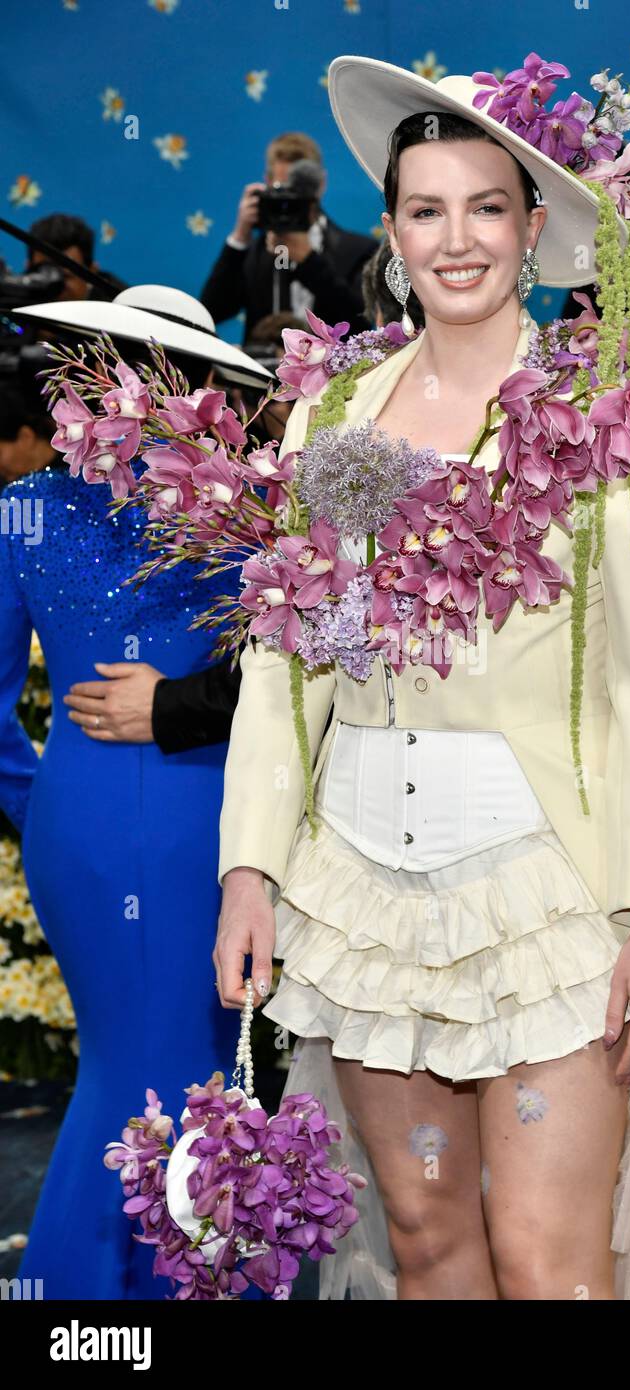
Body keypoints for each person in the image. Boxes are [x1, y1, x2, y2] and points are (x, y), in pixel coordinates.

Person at [214, 54, 630, 1301]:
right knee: (428, 1248)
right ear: (391, 232)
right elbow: (283, 662)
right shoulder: (330, 415)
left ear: (537, 226)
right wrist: (250, 868)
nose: (456, 238)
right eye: (425, 209)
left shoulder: (611, 416)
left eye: (487, 207)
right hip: (362, 897)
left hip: (549, 896)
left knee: (549, 1264)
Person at [0, 286, 273, 1298]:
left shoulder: (22, 506)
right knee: (169, 1075)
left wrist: (47, 805)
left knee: (141, 1072)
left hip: (97, 824)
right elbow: (295, 683)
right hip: (204, 821)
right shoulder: (250, 512)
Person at [200, 131, 378, 343]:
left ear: (321, 184)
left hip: (336, 373)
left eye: (299, 190)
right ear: (267, 183)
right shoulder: (254, 252)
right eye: (282, 189)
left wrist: (308, 261)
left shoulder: (358, 250)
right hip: (264, 372)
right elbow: (212, 311)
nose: (291, 198)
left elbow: (361, 323)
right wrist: (240, 236)